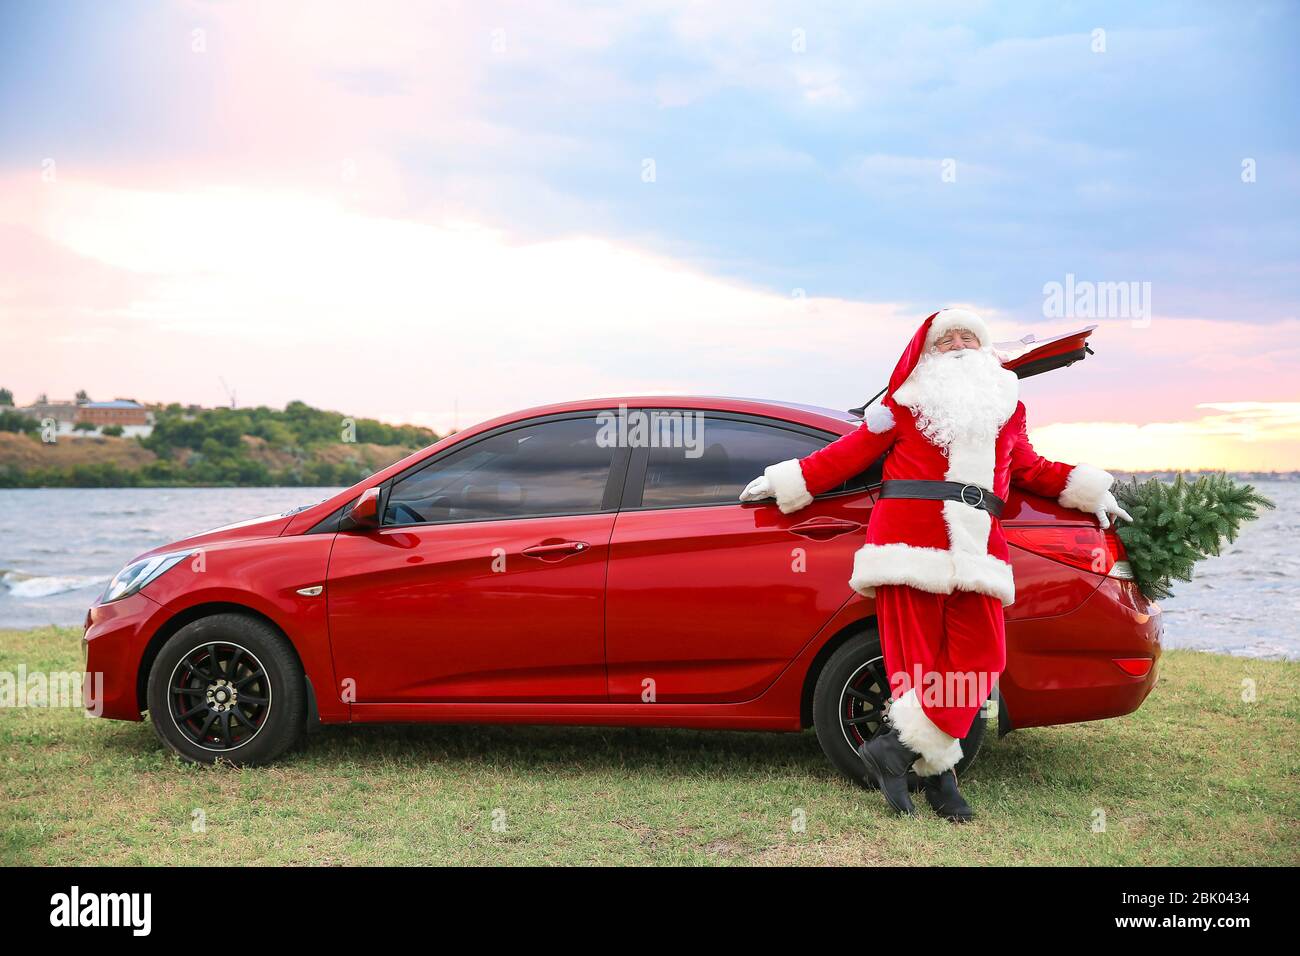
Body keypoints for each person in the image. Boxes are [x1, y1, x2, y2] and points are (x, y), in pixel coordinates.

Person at [740, 309, 1130, 821]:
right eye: (948, 339)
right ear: (926, 352)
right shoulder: (901, 404)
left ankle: (895, 751)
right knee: (916, 664)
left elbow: (1030, 467)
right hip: (908, 542)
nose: (961, 345)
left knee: (983, 657)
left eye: (970, 336)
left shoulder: (1007, 407)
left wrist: (1090, 491)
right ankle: (942, 782)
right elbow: (849, 454)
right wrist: (786, 481)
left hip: (978, 548)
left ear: (986, 349)